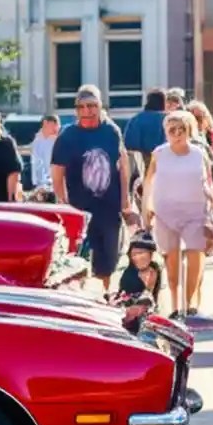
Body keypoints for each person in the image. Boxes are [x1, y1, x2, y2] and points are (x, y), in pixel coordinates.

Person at [51, 84, 134, 292]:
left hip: (109, 205)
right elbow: (57, 171)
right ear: (76, 110)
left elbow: (123, 167)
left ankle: (105, 295)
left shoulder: (111, 131)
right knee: (80, 260)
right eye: (82, 107)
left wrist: (126, 200)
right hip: (80, 208)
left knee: (108, 258)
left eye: (92, 106)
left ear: (100, 106)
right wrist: (62, 203)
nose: (87, 111)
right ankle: (83, 298)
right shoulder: (68, 136)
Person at [142, 111, 213, 318]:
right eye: (172, 130)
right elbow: (149, 182)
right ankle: (175, 308)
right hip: (165, 213)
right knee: (172, 261)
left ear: (189, 130)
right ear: (166, 132)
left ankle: (192, 305)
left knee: (195, 255)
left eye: (181, 129)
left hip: (195, 211)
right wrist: (146, 209)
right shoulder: (159, 153)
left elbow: (208, 182)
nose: (177, 134)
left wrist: (210, 210)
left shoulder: (198, 153)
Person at [110, 233, 163, 333]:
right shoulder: (129, 270)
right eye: (134, 254)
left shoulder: (151, 270)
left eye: (141, 253)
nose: (137, 257)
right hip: (124, 310)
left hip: (140, 313)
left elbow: (148, 294)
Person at [124, 89, 167, 169]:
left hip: (141, 163)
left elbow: (129, 144)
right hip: (164, 163)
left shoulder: (136, 119)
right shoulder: (168, 120)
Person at [29, 115, 60, 192]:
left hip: (56, 183)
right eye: (54, 124)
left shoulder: (58, 141)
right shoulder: (37, 141)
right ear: (45, 123)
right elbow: (36, 164)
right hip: (41, 185)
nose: (56, 128)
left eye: (57, 125)